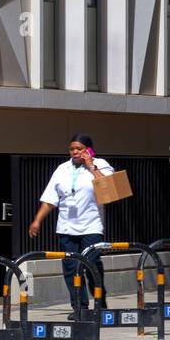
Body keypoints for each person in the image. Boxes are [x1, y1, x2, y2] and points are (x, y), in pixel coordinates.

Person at [29, 133, 113, 320]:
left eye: (79, 148)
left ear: (89, 150)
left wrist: (91, 167)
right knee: (71, 269)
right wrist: (37, 220)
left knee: (92, 266)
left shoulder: (101, 165)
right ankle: (79, 308)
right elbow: (50, 200)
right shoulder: (62, 169)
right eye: (72, 149)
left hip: (91, 226)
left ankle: (101, 303)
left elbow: (109, 190)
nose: (75, 152)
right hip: (66, 227)